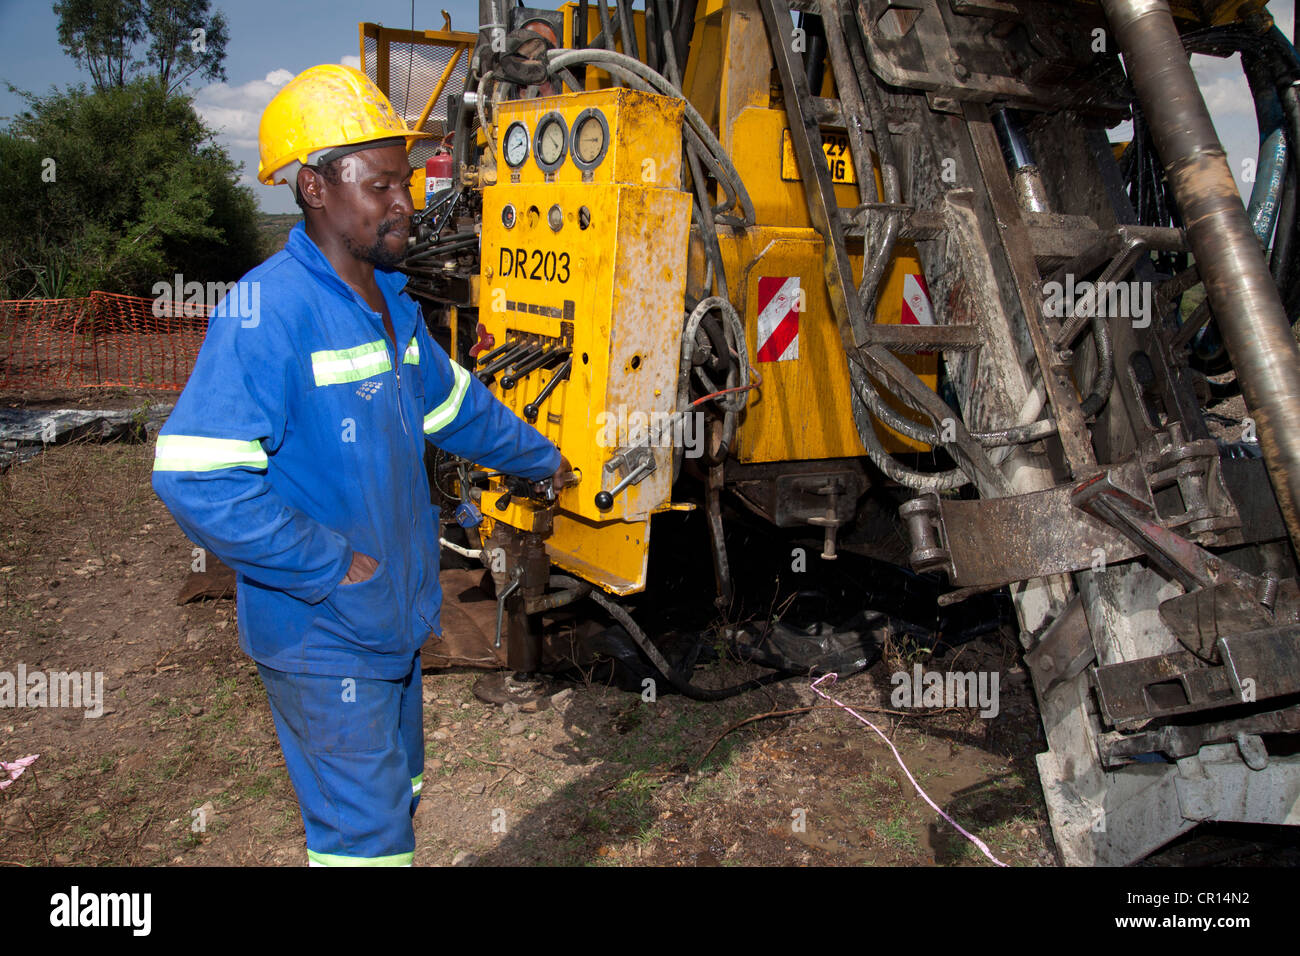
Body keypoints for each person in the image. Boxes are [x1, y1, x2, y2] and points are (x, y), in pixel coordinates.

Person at [151, 64, 569, 866]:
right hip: (321, 633)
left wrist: (542, 459)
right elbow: (195, 474)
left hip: (393, 622)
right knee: (364, 842)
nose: (405, 201)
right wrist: (329, 563)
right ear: (314, 188)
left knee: (398, 798)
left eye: (404, 181)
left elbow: (456, 410)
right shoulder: (267, 310)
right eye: (380, 185)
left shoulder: (387, 301)